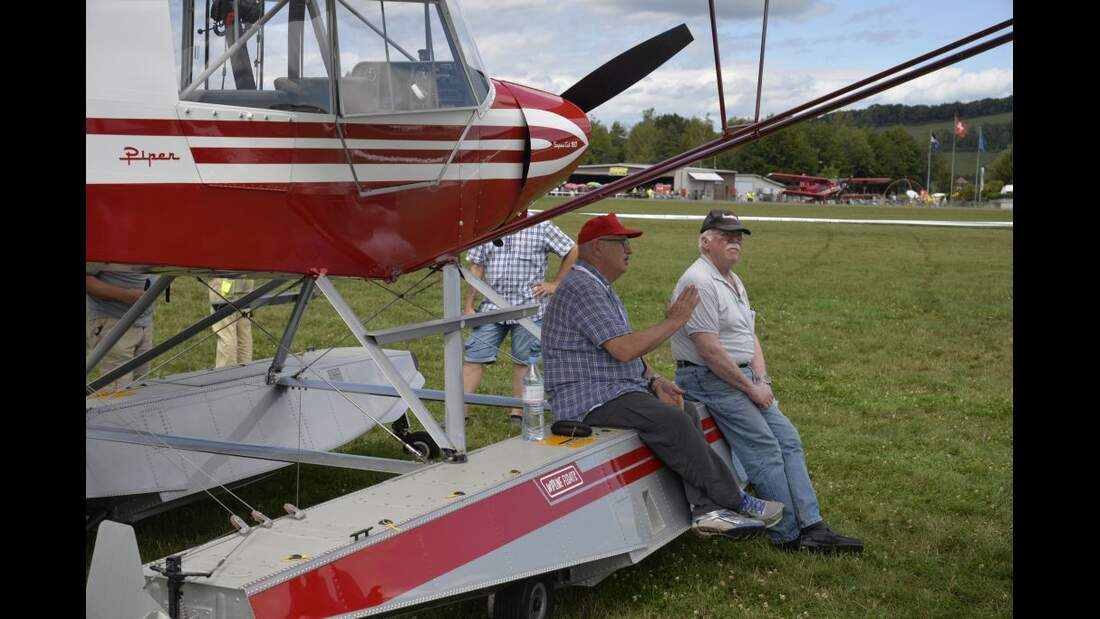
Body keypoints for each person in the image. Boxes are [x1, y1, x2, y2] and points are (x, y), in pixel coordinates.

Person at [542, 213, 783, 540]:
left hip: (613, 390)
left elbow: (625, 348)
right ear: (598, 247)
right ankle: (735, 500)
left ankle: (706, 511)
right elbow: (623, 349)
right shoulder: (583, 287)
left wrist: (654, 380)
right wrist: (675, 322)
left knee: (682, 411)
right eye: (622, 243)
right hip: (588, 400)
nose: (630, 250)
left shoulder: (597, 285)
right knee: (674, 420)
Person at [670, 209, 864, 554]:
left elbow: (749, 335)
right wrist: (751, 388)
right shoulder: (697, 281)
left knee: (788, 438)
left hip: (740, 374)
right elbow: (710, 351)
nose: (735, 241)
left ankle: (813, 524)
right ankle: (788, 536)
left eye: (739, 235)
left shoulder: (732, 280)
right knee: (764, 448)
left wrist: (761, 378)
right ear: (705, 242)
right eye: (726, 235)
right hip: (707, 377)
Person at [463, 217, 578, 420]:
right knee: (473, 357)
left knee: (524, 361)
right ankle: (458, 412)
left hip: (529, 308)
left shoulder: (541, 225)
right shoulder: (487, 224)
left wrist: (556, 283)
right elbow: (476, 266)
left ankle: (518, 414)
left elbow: (573, 250)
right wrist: (469, 304)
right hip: (492, 306)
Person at [86, 269, 159, 392]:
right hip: (114, 323)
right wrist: (124, 295)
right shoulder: (104, 249)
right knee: (117, 391)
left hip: (144, 322)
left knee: (141, 388)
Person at [209, 277, 256, 368]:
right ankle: (245, 371)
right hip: (246, 278)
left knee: (226, 333)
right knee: (244, 333)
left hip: (224, 280)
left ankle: (225, 373)